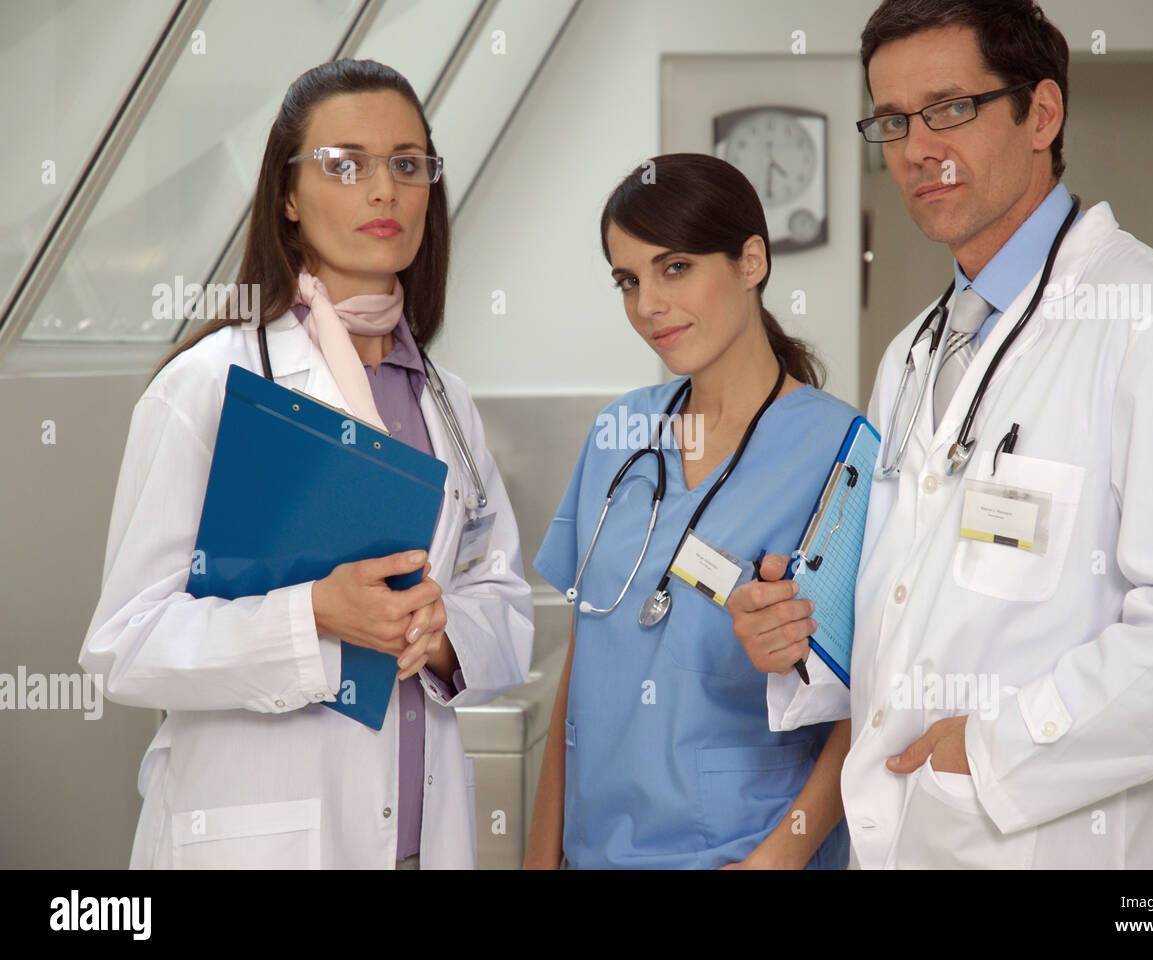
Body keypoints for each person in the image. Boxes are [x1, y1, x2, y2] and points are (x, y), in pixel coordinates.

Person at [727, 0, 1153, 869]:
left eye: (950, 107)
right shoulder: (912, 354)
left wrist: (997, 747)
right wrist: (796, 638)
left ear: (1042, 113)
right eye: (892, 119)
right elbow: (894, 595)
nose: (917, 147)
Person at [78, 59, 533, 869]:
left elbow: (499, 594)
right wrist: (315, 613)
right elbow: (126, 642)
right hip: (267, 836)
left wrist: (440, 633)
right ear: (287, 196)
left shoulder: (446, 402)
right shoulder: (212, 386)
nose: (383, 190)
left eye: (407, 163)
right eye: (345, 164)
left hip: (420, 838)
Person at [524, 153, 855, 869]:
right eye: (628, 280)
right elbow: (582, 668)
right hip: (596, 849)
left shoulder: (843, 452)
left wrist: (775, 862)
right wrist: (539, 858)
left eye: (675, 268)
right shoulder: (619, 437)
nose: (648, 304)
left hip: (743, 850)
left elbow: (870, 703)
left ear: (751, 261)